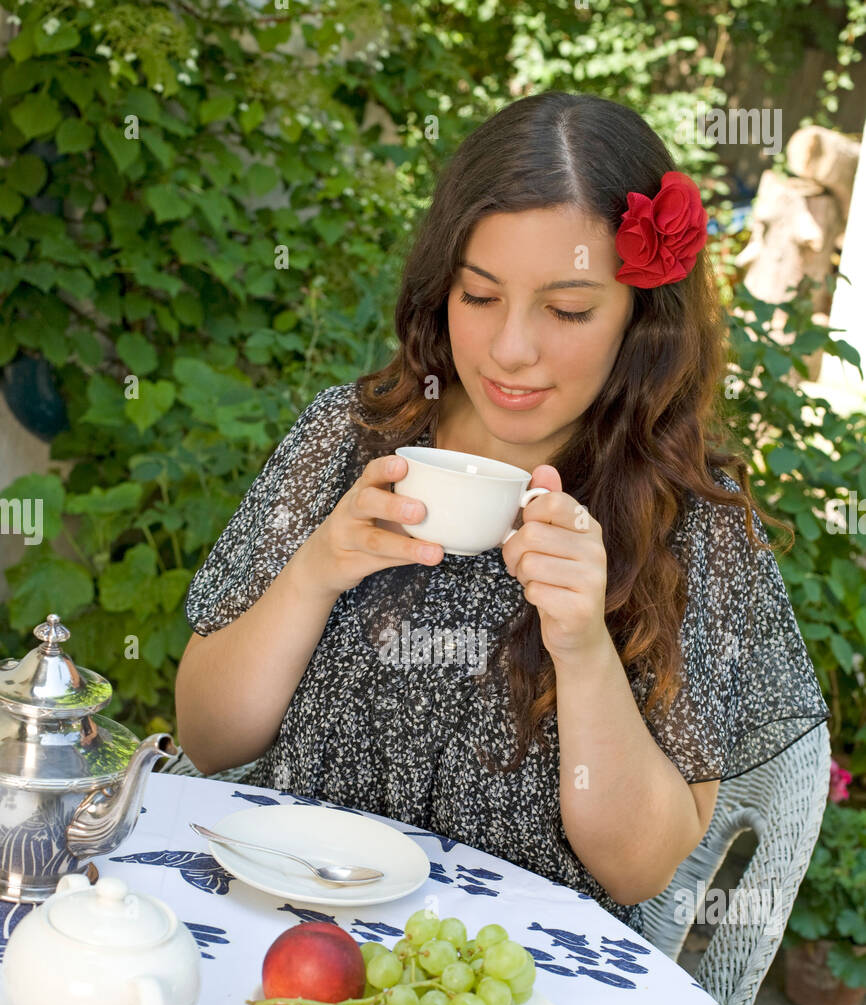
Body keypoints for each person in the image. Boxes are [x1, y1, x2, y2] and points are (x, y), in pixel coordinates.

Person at [175, 91, 830, 937]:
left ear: (640, 317)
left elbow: (637, 868)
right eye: (479, 297)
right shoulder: (353, 440)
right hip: (288, 927)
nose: (511, 349)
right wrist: (313, 574)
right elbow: (209, 737)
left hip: (514, 983)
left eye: (567, 310)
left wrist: (583, 644)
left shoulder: (689, 520)